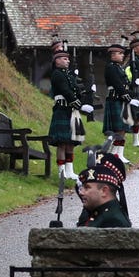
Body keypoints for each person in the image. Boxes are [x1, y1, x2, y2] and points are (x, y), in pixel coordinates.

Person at [48, 40, 93, 179]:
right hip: (62, 109)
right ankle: (62, 171)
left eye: (68, 59)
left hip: (71, 111)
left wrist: (85, 95)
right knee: (62, 143)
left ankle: (70, 170)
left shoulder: (68, 74)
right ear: (57, 61)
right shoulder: (57, 74)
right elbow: (66, 91)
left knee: (71, 143)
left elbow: (76, 91)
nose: (68, 61)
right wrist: (79, 105)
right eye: (65, 58)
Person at [101, 38, 131, 157]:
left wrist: (130, 94)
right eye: (120, 53)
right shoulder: (111, 67)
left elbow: (125, 83)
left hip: (121, 100)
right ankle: (112, 153)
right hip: (115, 99)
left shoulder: (119, 68)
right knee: (117, 129)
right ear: (113, 55)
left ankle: (119, 154)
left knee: (122, 129)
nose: (123, 56)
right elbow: (116, 83)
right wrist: (125, 94)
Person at [79, 158, 130, 227]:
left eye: (87, 187)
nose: (81, 192)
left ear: (104, 191)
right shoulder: (100, 212)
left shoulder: (113, 221)